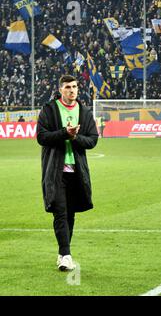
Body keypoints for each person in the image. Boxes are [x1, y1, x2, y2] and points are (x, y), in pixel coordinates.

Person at [37, 75, 99, 271]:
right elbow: (41, 136)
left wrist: (74, 138)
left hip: (77, 171)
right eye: (67, 87)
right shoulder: (49, 109)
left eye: (74, 87)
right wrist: (65, 133)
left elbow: (92, 140)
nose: (71, 90)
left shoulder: (85, 112)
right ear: (60, 89)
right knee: (60, 210)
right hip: (55, 170)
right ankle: (66, 255)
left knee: (70, 213)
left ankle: (63, 253)